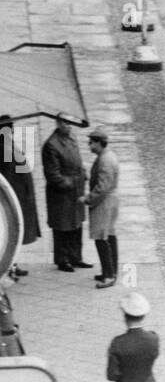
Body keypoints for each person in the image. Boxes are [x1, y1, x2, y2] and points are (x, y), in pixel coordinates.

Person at [42, 116, 91, 273]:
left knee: (76, 224)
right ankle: (63, 259)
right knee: (62, 226)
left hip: (76, 189)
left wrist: (83, 174)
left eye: (70, 123)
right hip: (61, 194)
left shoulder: (71, 138)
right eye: (65, 123)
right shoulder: (51, 145)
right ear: (58, 123)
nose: (68, 126)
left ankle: (76, 257)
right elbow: (52, 174)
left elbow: (79, 160)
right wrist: (69, 184)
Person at [0, 116, 41, 279]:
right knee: (13, 232)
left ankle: (13, 266)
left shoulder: (7, 144)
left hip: (20, 196)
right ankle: (11, 267)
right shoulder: (3, 147)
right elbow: (7, 176)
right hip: (15, 197)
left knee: (16, 232)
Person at [83, 129, 119, 289]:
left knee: (101, 238)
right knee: (109, 236)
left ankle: (109, 275)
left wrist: (87, 199)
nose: (89, 145)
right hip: (111, 201)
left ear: (98, 142)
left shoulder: (104, 160)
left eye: (91, 142)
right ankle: (110, 270)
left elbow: (102, 187)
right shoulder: (108, 156)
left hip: (103, 203)